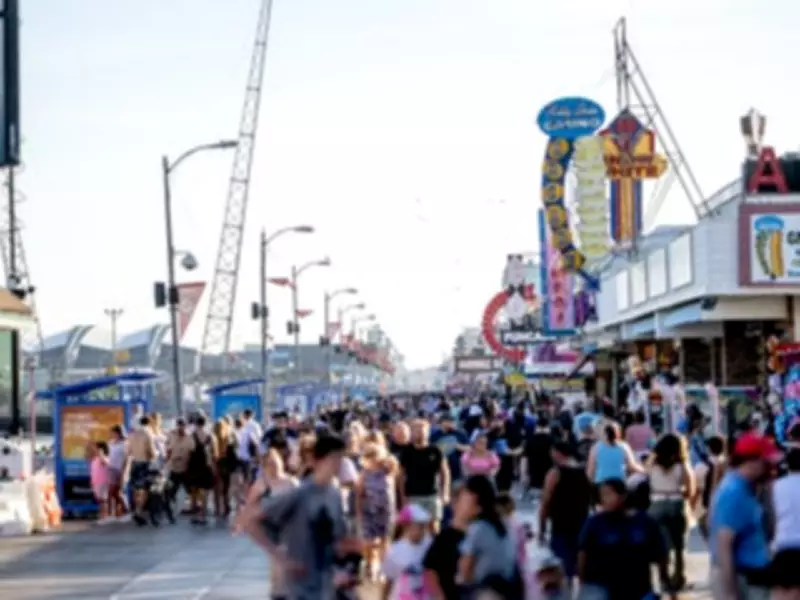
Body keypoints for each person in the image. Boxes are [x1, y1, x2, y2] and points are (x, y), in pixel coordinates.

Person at [241, 434, 359, 599]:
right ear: (317, 461)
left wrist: (353, 548)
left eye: (340, 459)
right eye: (333, 460)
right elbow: (250, 520)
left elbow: (336, 538)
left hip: (326, 583)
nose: (338, 466)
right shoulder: (301, 494)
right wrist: (279, 556)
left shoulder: (334, 494)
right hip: (300, 587)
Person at [709, 431, 781, 599]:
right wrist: (729, 593)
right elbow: (724, 543)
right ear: (752, 461)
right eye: (766, 463)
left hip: (750, 577)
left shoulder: (743, 488)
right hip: (743, 580)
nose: (771, 469)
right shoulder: (735, 494)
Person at [578, 478, 674, 599]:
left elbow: (661, 556)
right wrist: (583, 583)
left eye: (608, 494)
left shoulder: (645, 523)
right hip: (603, 590)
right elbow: (583, 554)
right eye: (602, 495)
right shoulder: (594, 524)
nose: (604, 500)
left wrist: (667, 583)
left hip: (639, 589)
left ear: (623, 496)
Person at [457, 475, 523, 599]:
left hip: (489, 592)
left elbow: (465, 572)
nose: (459, 503)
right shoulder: (505, 524)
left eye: (462, 497)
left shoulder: (478, 529)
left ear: (473, 498)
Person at [538, 441, 591, 591]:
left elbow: (545, 502)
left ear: (557, 453)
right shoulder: (584, 471)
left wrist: (542, 528)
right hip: (581, 524)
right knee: (581, 567)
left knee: (561, 568)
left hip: (561, 526)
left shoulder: (555, 473)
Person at [647, 433, 695, 591]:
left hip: (656, 502)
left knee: (662, 544)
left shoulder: (652, 463)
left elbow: (644, 477)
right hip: (676, 502)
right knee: (679, 544)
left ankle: (663, 578)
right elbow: (690, 490)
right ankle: (679, 577)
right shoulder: (682, 464)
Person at [398, 419, 450, 533]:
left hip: (432, 495)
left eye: (423, 430)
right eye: (417, 430)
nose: (420, 433)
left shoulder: (436, 450)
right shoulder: (406, 452)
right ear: (412, 432)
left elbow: (444, 472)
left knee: (434, 529)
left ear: (428, 432)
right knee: (414, 530)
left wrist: (445, 493)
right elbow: (401, 476)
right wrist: (403, 497)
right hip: (413, 496)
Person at [356, 441, 397, 581]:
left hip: (386, 510)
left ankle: (384, 569)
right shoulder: (364, 474)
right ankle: (370, 564)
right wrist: (359, 512)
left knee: (385, 540)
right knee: (369, 542)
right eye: (369, 456)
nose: (372, 459)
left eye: (374, 455)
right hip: (369, 510)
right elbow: (359, 494)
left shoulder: (388, 469)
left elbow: (394, 465)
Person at [423, 484, 468, 600]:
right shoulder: (444, 538)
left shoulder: (481, 535)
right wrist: (439, 596)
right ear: (454, 504)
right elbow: (430, 570)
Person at [381, 504, 432, 600]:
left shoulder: (430, 545)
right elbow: (389, 579)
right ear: (406, 527)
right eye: (418, 526)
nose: (421, 531)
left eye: (423, 526)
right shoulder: (395, 550)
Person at [127, 415, 158, 525]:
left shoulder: (132, 434)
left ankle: (136, 509)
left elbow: (128, 451)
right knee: (145, 490)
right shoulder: (148, 434)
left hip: (135, 463)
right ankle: (139, 511)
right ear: (149, 423)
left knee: (136, 489)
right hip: (144, 464)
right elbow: (151, 452)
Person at [89, 441, 112, 524]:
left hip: (103, 482)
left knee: (103, 499)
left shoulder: (104, 458)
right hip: (96, 482)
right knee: (100, 500)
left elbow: (106, 463)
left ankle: (105, 516)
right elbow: (93, 471)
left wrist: (101, 454)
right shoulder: (95, 459)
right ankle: (102, 515)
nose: (94, 449)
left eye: (96, 447)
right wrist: (92, 481)